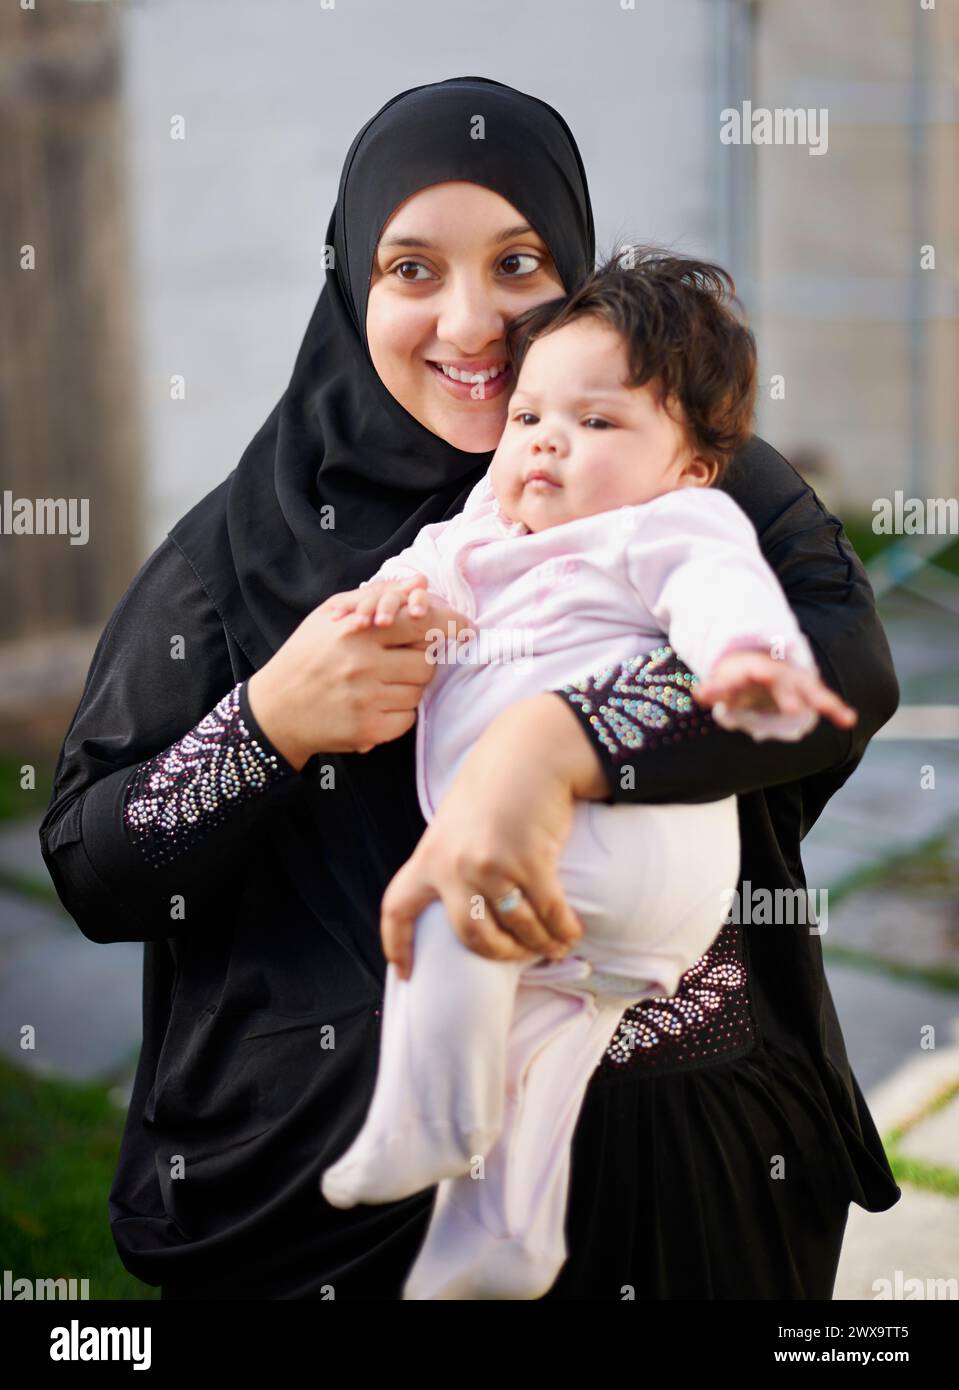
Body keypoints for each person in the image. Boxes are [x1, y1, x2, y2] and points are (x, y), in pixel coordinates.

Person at [38, 76, 900, 1301]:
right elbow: (92, 859)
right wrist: (268, 722)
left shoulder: (669, 445)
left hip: (691, 1171)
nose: (472, 323)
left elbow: (844, 667)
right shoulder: (238, 554)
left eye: (517, 261)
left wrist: (557, 742)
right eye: (412, 270)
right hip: (351, 1206)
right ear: (351, 285)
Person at [317, 252, 858, 1300]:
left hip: (631, 845)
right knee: (533, 1056)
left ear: (693, 465)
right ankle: (502, 1236)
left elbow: (718, 589)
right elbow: (407, 580)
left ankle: (421, 1116)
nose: (545, 443)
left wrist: (747, 658)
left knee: (446, 909)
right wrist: (384, 609)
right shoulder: (478, 534)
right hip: (594, 915)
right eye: (526, 418)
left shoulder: (666, 524)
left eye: (598, 423)